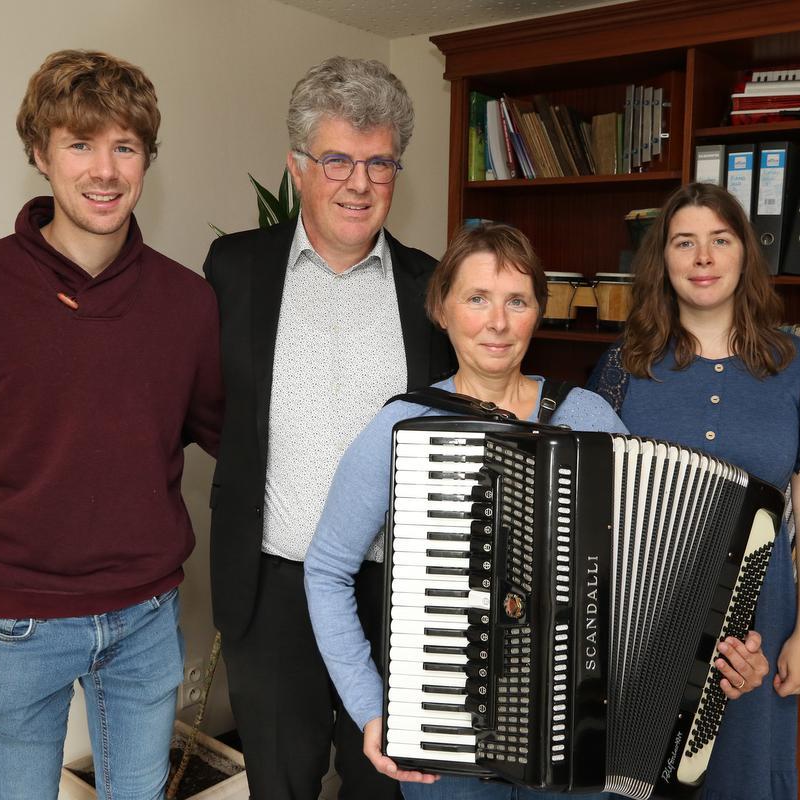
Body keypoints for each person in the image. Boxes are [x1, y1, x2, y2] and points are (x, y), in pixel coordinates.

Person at [305, 222, 771, 799]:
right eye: (477, 298)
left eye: (516, 301)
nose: (497, 322)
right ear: (442, 309)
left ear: (537, 313)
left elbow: (662, 581)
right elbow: (325, 570)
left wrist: (723, 659)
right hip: (449, 735)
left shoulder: (587, 416)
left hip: (579, 737)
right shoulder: (406, 426)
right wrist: (369, 707)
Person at [0, 50, 224, 799]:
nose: (103, 170)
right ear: (40, 155)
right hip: (17, 624)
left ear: (146, 159)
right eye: (80, 144)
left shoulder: (186, 301)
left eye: (124, 146)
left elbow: (223, 430)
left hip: (146, 616)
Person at [201, 56, 454, 799]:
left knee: (388, 786)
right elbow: (211, 409)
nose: (359, 182)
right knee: (280, 783)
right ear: (298, 166)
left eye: (380, 163)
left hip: (400, 595)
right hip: (273, 587)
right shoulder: (234, 269)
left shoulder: (428, 288)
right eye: (337, 158)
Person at [587, 182, 800, 800]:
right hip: (646, 614)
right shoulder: (624, 365)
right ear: (663, 260)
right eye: (685, 243)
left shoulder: (798, 365)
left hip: (761, 621)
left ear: (744, 254)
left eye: (719, 240)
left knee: (743, 775)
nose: (703, 258)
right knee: (637, 776)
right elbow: (596, 501)